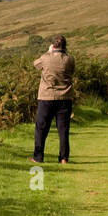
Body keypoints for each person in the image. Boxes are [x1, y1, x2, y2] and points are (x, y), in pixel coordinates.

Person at [31, 35, 74, 164]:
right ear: (65, 46)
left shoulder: (45, 58)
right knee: (63, 129)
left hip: (46, 97)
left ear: (53, 45)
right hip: (65, 97)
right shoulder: (70, 59)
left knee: (41, 128)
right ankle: (63, 158)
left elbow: (36, 64)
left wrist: (48, 52)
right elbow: (72, 72)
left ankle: (38, 157)